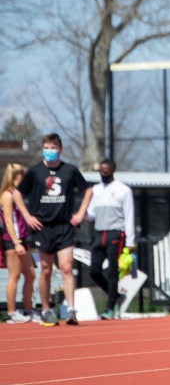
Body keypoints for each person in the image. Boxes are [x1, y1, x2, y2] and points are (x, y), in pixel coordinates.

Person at [17, 133, 92, 326]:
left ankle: (71, 310)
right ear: (43, 149)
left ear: (60, 149)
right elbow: (17, 193)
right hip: (43, 227)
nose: (50, 151)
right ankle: (46, 309)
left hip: (64, 226)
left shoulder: (69, 170)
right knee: (46, 269)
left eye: (54, 148)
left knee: (67, 267)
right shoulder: (35, 172)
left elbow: (88, 191)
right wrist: (28, 216)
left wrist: (80, 213)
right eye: (47, 148)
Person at [85, 159, 136, 319]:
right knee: (94, 270)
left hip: (116, 233)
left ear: (113, 170)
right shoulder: (95, 190)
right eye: (101, 171)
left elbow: (129, 216)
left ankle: (110, 306)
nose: (103, 173)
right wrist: (80, 215)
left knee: (113, 270)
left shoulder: (123, 190)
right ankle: (116, 295)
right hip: (99, 233)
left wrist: (130, 241)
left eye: (106, 171)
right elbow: (91, 214)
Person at [3, 164, 40, 323]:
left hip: (23, 239)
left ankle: (27, 309)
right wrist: (16, 242)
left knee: (30, 275)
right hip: (13, 240)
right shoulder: (8, 195)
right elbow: (8, 221)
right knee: (15, 276)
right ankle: (11, 312)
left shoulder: (18, 195)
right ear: (15, 177)